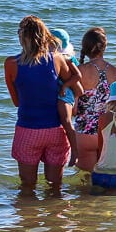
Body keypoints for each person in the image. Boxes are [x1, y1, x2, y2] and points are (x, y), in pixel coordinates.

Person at [4, 15, 81, 190]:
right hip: (56, 130)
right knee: (55, 187)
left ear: (22, 37)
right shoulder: (57, 59)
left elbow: (17, 102)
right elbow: (74, 84)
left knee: (27, 187)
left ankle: (29, 217)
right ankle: (55, 216)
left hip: (28, 130)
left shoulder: (10, 63)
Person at [74, 27, 116, 171]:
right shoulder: (115, 72)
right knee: (106, 176)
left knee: (86, 181)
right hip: (109, 132)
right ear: (104, 47)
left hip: (85, 133)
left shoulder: (80, 71)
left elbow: (75, 109)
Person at [51, 28, 82, 166]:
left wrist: (64, 86)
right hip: (59, 91)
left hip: (66, 92)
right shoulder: (53, 57)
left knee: (66, 119)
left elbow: (78, 76)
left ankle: (75, 152)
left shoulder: (67, 58)